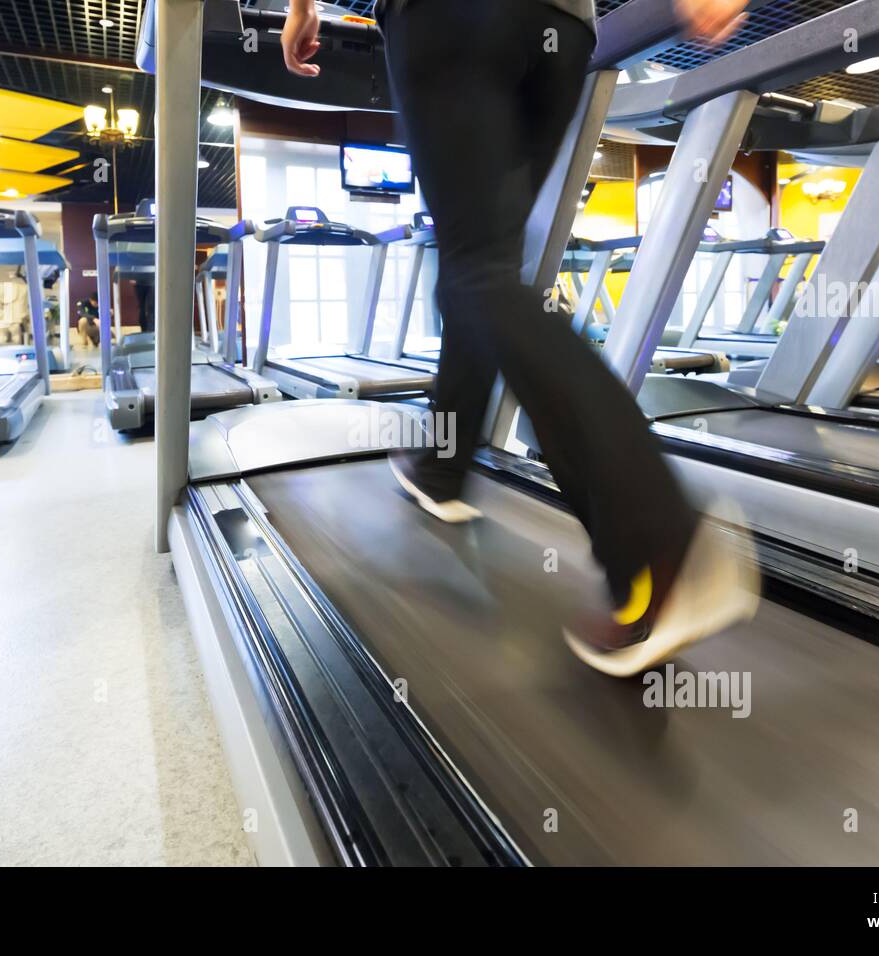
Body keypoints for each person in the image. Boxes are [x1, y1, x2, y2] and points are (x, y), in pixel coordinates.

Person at [281, 0, 758, 677]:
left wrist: (302, 8)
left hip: (450, 22)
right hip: (562, 29)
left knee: (473, 272)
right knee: (483, 269)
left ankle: (663, 541)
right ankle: (444, 464)